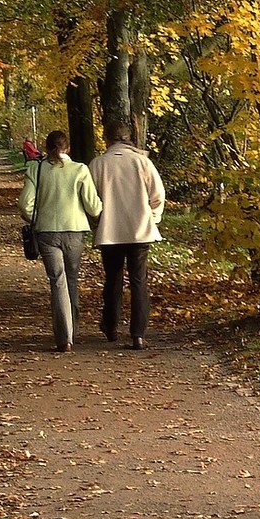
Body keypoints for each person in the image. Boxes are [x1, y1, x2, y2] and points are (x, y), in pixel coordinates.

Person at [18, 130, 102, 353]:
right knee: (71, 278)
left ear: (46, 148)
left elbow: (26, 204)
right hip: (75, 231)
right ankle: (72, 328)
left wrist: (36, 218)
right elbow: (94, 207)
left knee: (57, 280)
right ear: (68, 148)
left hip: (46, 232)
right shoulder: (80, 170)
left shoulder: (36, 170)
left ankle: (64, 338)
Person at [88, 121, 165, 350]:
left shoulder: (98, 164)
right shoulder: (143, 162)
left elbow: (90, 198)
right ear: (129, 137)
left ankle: (111, 327)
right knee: (139, 281)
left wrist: (97, 221)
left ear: (107, 138)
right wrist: (152, 217)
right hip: (139, 230)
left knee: (113, 279)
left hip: (110, 231)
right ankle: (138, 333)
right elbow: (158, 195)